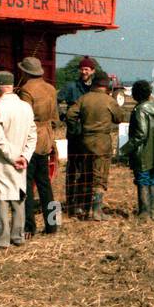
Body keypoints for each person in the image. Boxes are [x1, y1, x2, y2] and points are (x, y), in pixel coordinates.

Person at [0, 70, 37, 249]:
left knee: (1, 198)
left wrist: (12, 157)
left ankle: (2, 239)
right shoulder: (25, 107)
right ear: (13, 86)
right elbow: (32, 135)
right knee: (19, 196)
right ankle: (18, 236)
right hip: (20, 162)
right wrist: (25, 157)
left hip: (0, 161)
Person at [66, 72, 123, 220]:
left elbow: (70, 115)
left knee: (85, 174)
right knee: (100, 176)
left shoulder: (83, 99)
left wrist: (75, 129)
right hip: (102, 142)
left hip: (84, 141)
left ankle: (81, 208)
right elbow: (119, 118)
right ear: (106, 85)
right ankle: (97, 211)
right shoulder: (109, 101)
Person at [16, 56, 60, 236]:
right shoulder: (50, 88)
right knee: (45, 185)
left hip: (31, 139)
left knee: (26, 185)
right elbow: (56, 118)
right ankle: (53, 224)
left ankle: (29, 227)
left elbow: (25, 117)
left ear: (25, 72)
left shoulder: (26, 90)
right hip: (47, 138)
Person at [122, 80, 154, 219]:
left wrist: (124, 149)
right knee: (152, 179)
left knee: (142, 179)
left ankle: (144, 213)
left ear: (136, 94)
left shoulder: (140, 109)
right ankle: (153, 211)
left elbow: (141, 133)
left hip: (142, 152)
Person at [59, 56, 97, 215]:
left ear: (92, 71)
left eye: (87, 69)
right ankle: (70, 203)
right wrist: (63, 117)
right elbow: (58, 101)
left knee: (88, 169)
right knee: (73, 169)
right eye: (82, 69)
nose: (84, 72)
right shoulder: (71, 87)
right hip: (75, 134)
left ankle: (84, 202)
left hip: (90, 134)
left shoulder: (95, 88)